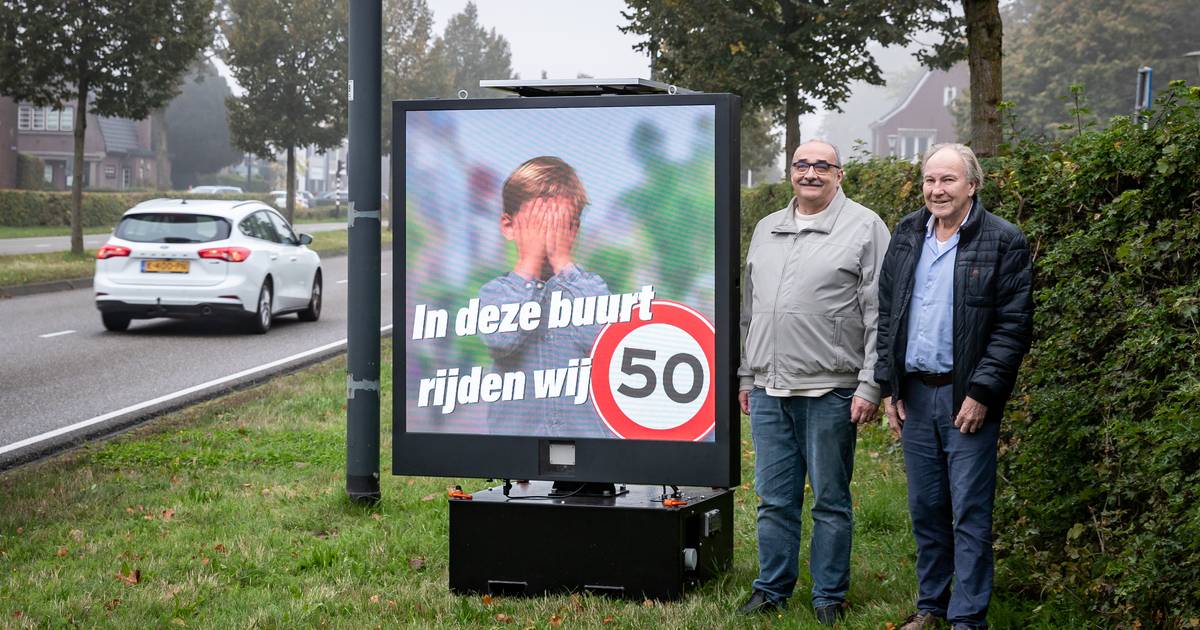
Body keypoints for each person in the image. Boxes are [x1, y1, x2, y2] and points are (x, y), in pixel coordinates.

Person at [874, 143, 1033, 630]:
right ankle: (931, 607)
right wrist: (888, 387)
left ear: (972, 185)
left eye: (948, 180)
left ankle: (967, 618)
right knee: (927, 509)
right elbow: (887, 317)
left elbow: (1013, 326)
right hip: (916, 396)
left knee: (969, 512)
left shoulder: (1003, 240)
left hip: (966, 396)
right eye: (929, 180)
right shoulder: (906, 234)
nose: (936, 190)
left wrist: (982, 393)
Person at [737, 140, 890, 624]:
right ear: (791, 173)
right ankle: (771, 590)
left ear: (839, 174)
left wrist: (870, 384)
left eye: (821, 166)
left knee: (830, 500)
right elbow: (749, 311)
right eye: (801, 164)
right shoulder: (766, 228)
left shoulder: (865, 227)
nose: (809, 173)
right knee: (774, 499)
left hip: (831, 390)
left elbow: (880, 314)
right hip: (767, 389)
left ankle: (828, 596)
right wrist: (745, 374)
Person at [478, 156, 612, 438]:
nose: (549, 235)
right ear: (509, 227)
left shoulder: (591, 287)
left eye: (561, 226)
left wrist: (563, 261)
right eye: (539, 225)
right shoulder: (496, 292)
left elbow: (602, 343)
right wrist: (530, 260)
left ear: (574, 230)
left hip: (588, 442)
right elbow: (500, 340)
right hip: (517, 448)